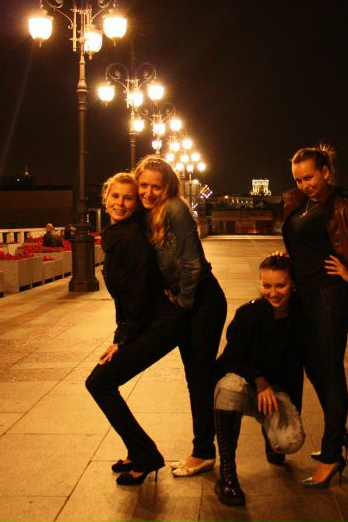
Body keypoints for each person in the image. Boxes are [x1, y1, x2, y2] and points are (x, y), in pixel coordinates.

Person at [281, 144, 348, 489]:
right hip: (303, 296)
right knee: (315, 370)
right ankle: (337, 433)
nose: (304, 185)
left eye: (309, 177)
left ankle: (331, 456)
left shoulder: (343, 207)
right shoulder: (299, 204)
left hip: (329, 296)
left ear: (326, 172)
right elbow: (303, 244)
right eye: (298, 179)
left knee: (329, 373)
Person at [84, 172, 186, 486]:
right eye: (115, 196)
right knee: (102, 381)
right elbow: (125, 297)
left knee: (100, 383)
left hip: (160, 324)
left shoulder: (130, 237)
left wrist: (124, 340)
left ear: (135, 203)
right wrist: (121, 336)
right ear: (105, 199)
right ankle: (136, 450)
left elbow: (139, 291)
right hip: (145, 322)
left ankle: (146, 454)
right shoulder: (117, 234)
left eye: (128, 198)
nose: (121, 203)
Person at [134, 155, 228, 478]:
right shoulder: (149, 215)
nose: (148, 192)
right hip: (187, 299)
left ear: (168, 187)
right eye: (143, 185)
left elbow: (191, 262)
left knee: (199, 376)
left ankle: (204, 452)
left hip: (202, 299)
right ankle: (204, 447)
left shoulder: (175, 209)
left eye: (155, 187)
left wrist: (182, 304)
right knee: (197, 376)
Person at [213, 253, 305, 506]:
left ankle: (269, 434)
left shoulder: (301, 315)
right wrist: (259, 381)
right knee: (228, 388)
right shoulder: (248, 314)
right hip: (246, 385)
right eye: (267, 285)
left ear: (293, 284)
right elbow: (231, 358)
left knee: (290, 442)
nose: (273, 293)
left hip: (277, 391)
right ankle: (227, 474)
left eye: (280, 285)